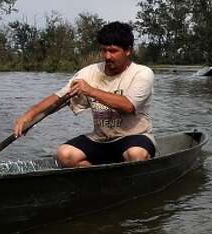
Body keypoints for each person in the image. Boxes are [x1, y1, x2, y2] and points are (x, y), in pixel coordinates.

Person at [13, 21, 155, 167]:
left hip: (133, 137)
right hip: (101, 139)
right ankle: (101, 177)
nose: (107, 56)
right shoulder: (90, 72)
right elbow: (60, 97)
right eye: (104, 50)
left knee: (136, 154)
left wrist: (90, 90)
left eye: (113, 51)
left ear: (128, 51)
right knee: (64, 154)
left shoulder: (142, 73)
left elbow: (128, 106)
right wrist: (30, 116)